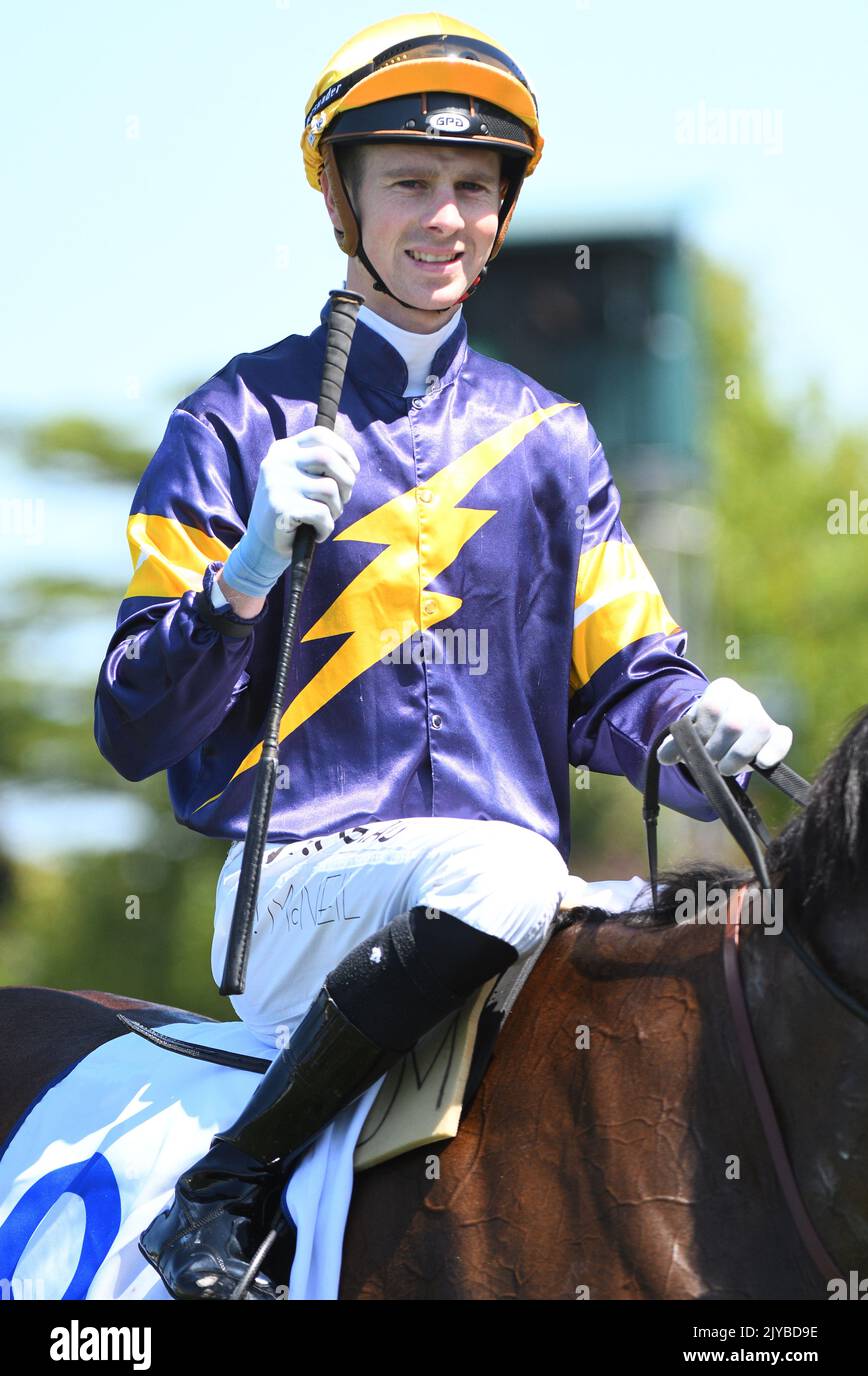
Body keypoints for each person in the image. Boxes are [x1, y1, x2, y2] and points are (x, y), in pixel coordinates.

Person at [93, 13, 792, 1301]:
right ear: (342, 198)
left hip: (498, 907)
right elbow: (134, 725)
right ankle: (225, 1189)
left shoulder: (551, 439)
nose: (445, 218)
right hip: (301, 900)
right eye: (410, 182)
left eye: (474, 188)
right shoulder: (231, 420)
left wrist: (710, 730)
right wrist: (243, 574)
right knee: (514, 863)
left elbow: (631, 684)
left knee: (687, 947)